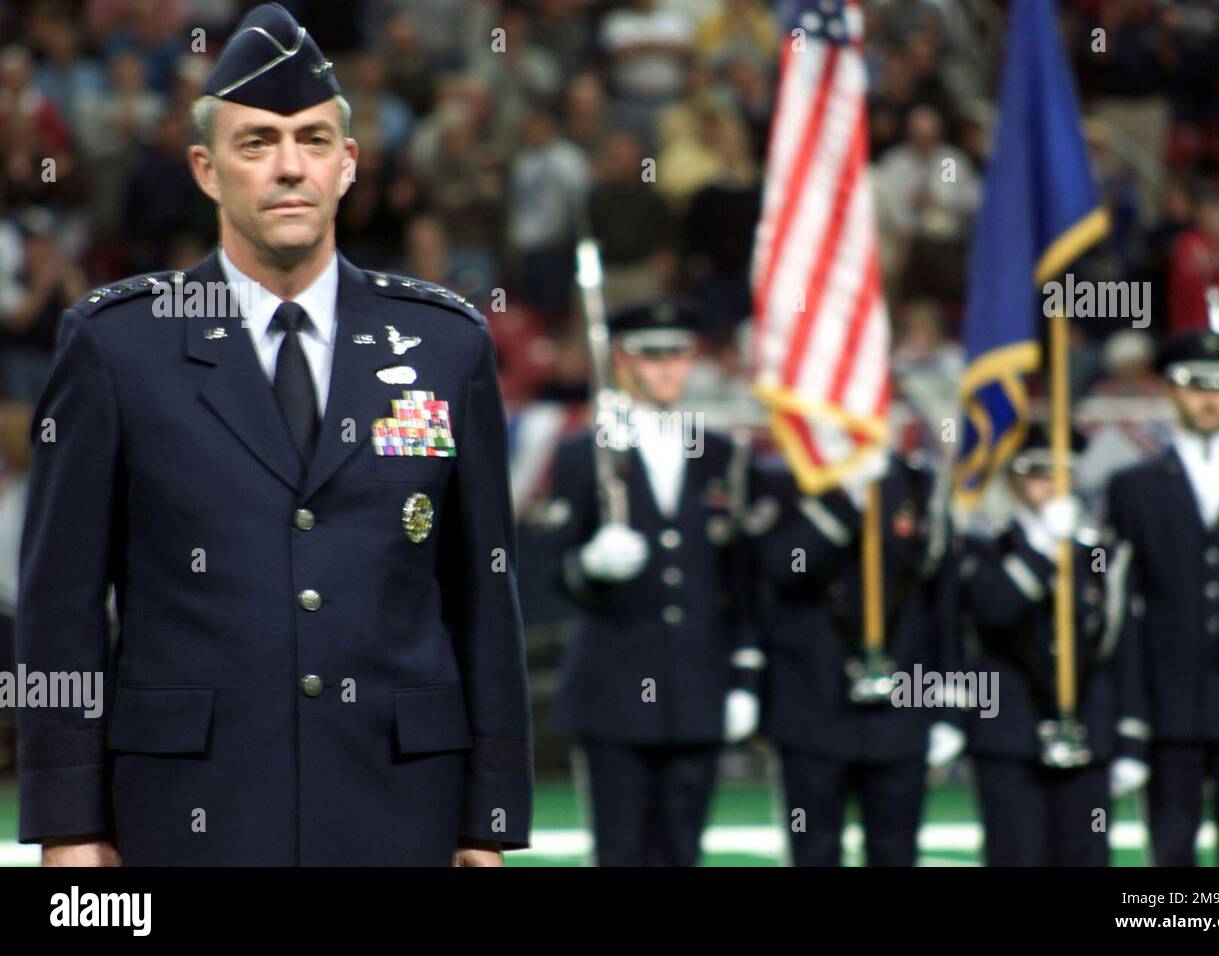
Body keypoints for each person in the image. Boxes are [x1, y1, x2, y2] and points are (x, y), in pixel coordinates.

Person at [16, 3, 532, 867]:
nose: (289, 167)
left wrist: (491, 821)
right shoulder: (118, 344)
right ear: (206, 169)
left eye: (314, 141)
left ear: (349, 165)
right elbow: (60, 604)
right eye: (257, 143)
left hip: (401, 808)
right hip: (187, 813)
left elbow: (485, 599)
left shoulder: (448, 345)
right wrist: (69, 826)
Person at [542, 299, 761, 866]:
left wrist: (744, 675)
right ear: (623, 360)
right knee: (619, 850)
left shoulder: (722, 456)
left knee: (682, 849)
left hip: (697, 683)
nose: (667, 369)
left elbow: (740, 579)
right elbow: (548, 572)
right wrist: (589, 566)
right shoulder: (585, 453)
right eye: (652, 356)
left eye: (679, 354)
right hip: (614, 686)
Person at [1107, 330, 1219, 866]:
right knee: (1171, 853)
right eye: (1194, 386)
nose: (1209, 400)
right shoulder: (1133, 486)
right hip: (1168, 701)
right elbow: (1124, 603)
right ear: (1171, 392)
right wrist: (1131, 710)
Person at [749, 447, 963, 866]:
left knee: (896, 852)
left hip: (902, 706)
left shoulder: (920, 485)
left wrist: (951, 705)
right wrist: (844, 502)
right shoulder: (784, 480)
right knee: (812, 851)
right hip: (811, 705)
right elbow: (782, 569)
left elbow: (944, 606)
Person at [961, 426, 1149, 866]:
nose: (1051, 483)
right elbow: (994, 611)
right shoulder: (986, 545)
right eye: (1038, 472)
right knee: (1015, 855)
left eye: (1063, 472)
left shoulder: (1100, 554)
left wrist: (1131, 735)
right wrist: (1043, 547)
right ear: (1013, 479)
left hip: (1089, 729)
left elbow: (1122, 648)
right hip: (1010, 731)